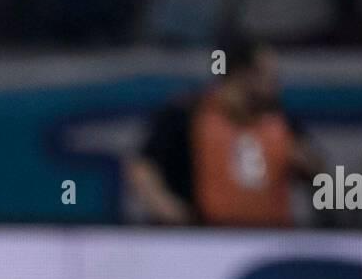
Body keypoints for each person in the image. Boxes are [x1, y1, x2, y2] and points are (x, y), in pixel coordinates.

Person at [126, 40, 324, 227]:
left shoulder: (281, 119)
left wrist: (308, 165)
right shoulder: (188, 114)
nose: (275, 84)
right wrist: (165, 208)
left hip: (271, 236)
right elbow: (143, 164)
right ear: (241, 74)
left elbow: (315, 170)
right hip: (206, 238)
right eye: (267, 75)